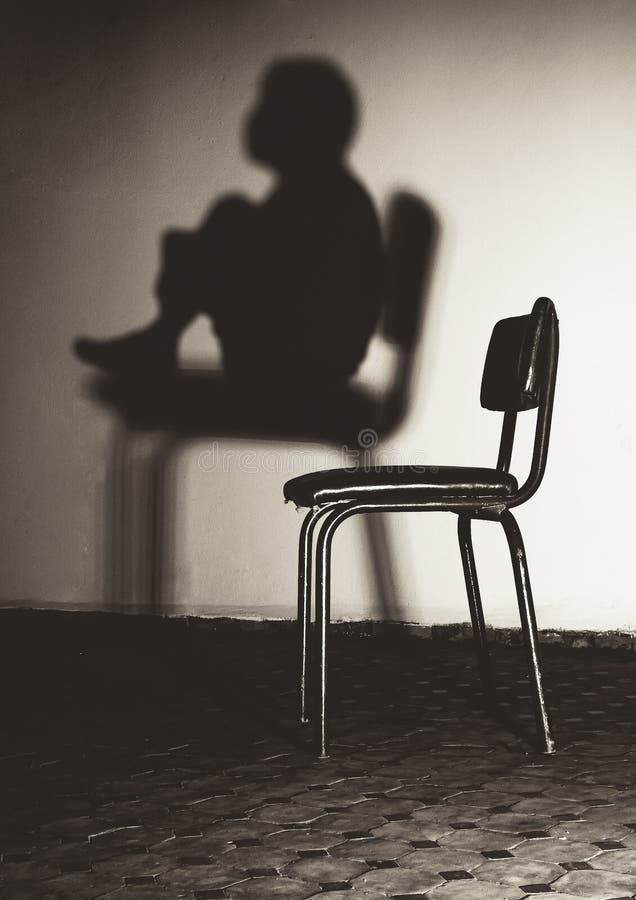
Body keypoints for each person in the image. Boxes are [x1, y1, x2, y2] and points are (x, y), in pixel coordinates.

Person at [75, 59, 385, 396]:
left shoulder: (327, 198)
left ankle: (159, 340)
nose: (255, 119)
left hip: (297, 368)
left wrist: (200, 259)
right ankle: (159, 339)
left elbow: (289, 284)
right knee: (229, 218)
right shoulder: (321, 192)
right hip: (299, 360)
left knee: (230, 216)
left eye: (272, 107)